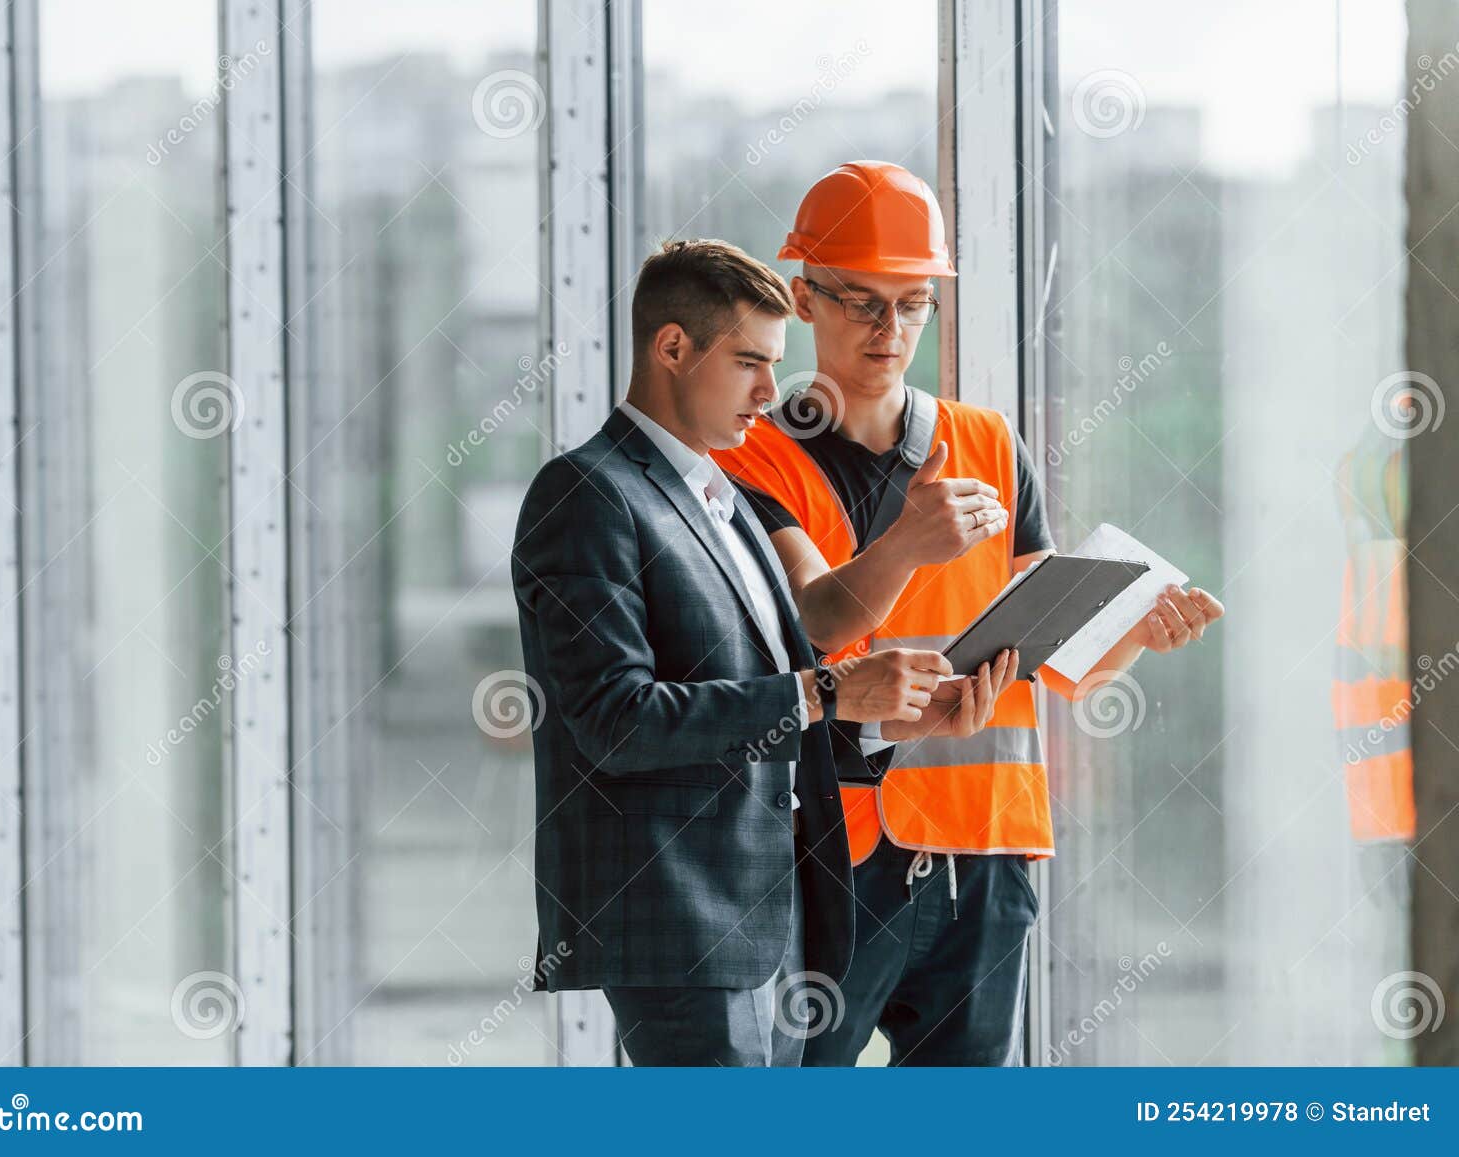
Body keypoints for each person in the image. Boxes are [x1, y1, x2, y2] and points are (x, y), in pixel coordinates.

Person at [714, 161, 1225, 1066]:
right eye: (863, 300)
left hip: (986, 851)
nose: (891, 329)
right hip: (834, 853)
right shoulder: (759, 456)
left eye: (914, 303)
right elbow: (813, 625)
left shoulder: (987, 443)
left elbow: (1063, 658)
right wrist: (909, 541)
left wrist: (1137, 633)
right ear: (804, 298)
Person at [512, 238, 1013, 1065]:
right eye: (748, 362)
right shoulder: (587, 493)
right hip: (683, 916)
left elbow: (765, 705)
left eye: (773, 364)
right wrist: (825, 692)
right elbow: (614, 718)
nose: (769, 392)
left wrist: (894, 723)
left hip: (777, 917)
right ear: (671, 348)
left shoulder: (726, 498)